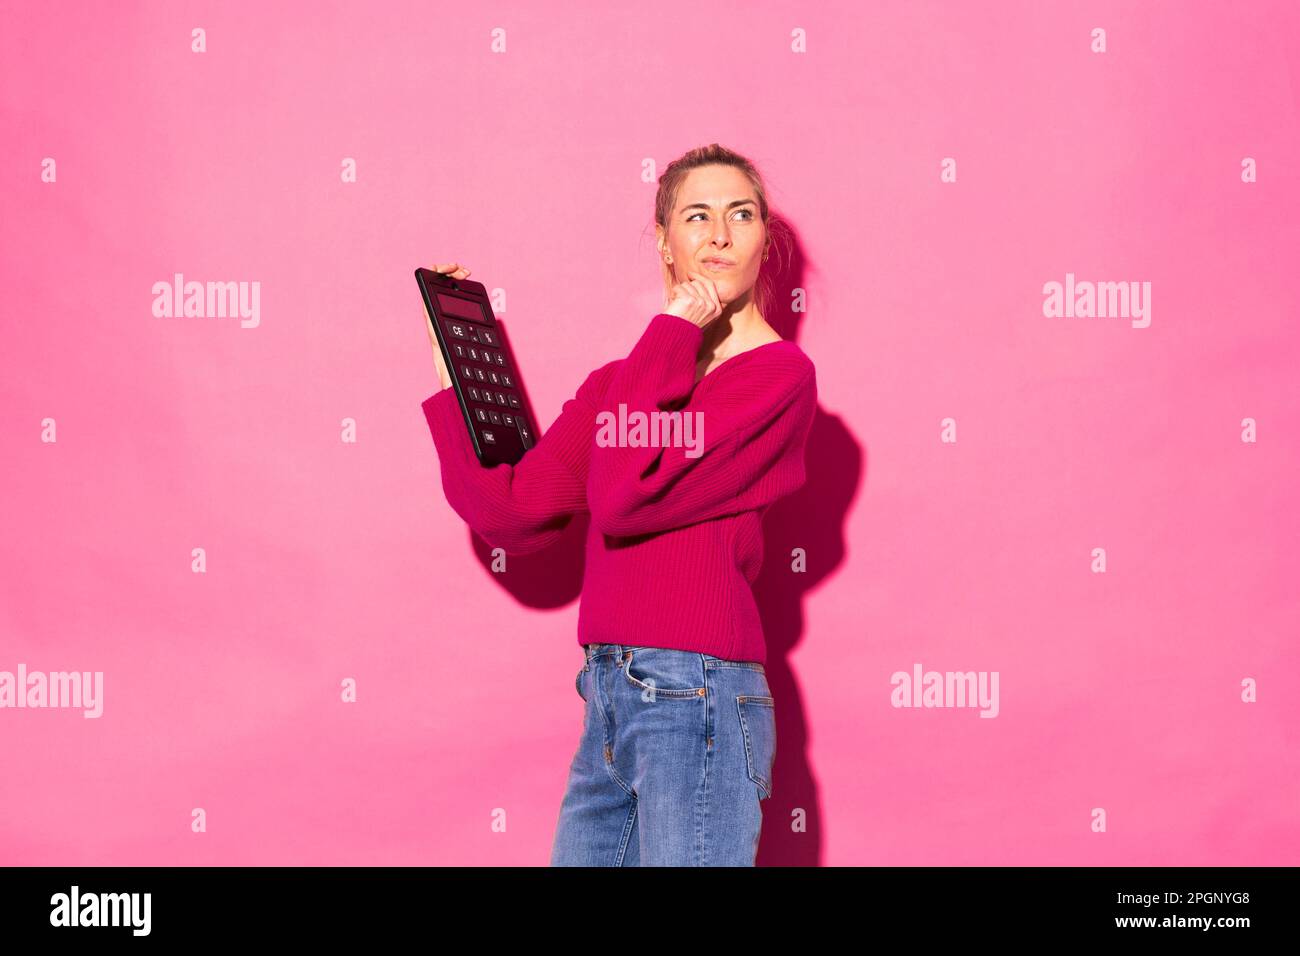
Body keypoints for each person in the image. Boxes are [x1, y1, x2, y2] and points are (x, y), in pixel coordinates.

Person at [419, 144, 817, 865]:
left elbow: (626, 496)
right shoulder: (623, 383)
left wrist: (671, 329)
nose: (720, 234)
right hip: (609, 690)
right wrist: (453, 369)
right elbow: (511, 513)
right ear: (666, 240)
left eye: (742, 214)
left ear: (766, 240)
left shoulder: (777, 381)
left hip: (701, 694)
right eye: (697, 215)